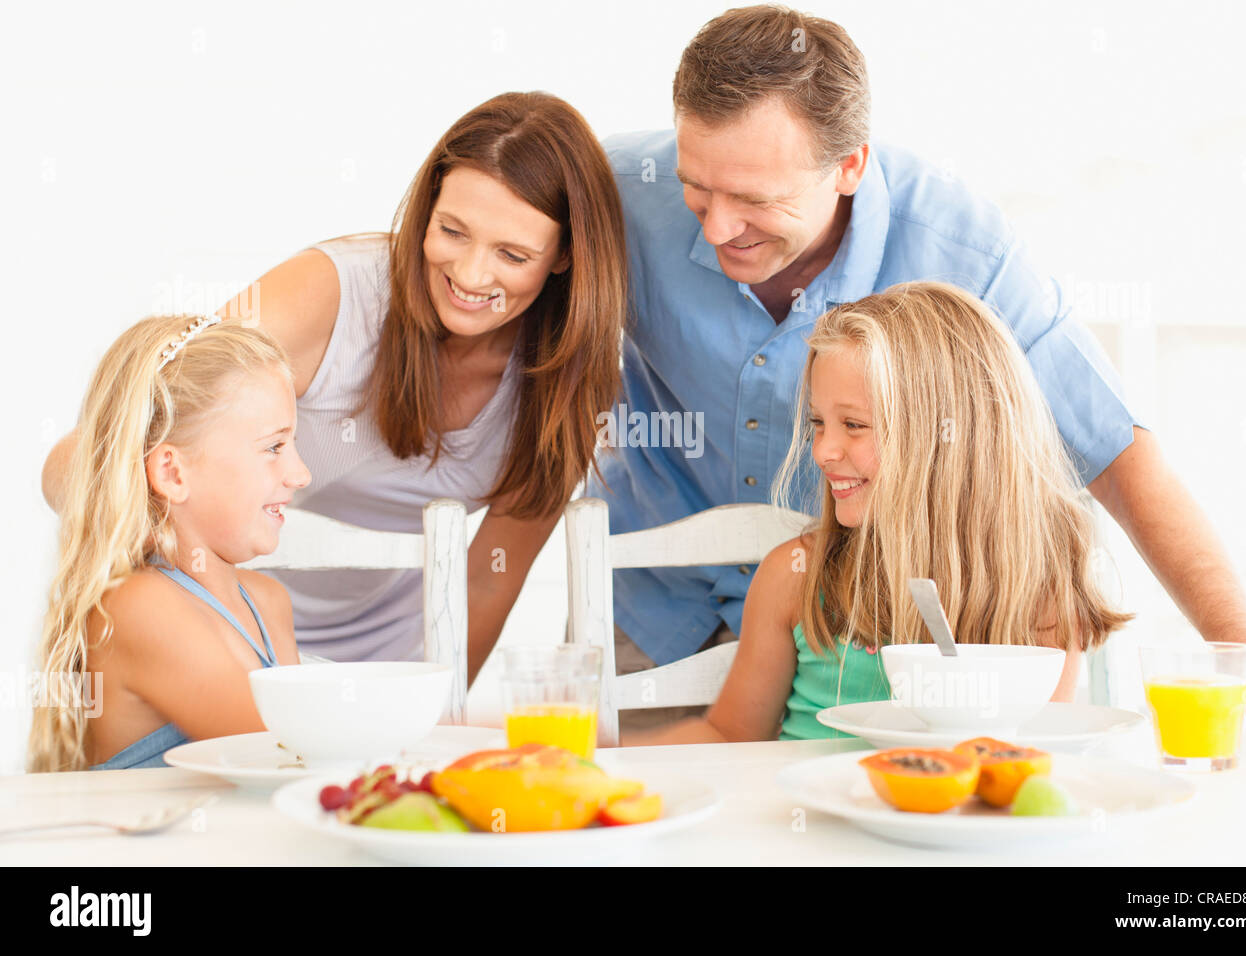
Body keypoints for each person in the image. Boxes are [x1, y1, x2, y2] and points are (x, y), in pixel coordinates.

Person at [595, 4, 1246, 729]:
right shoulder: (615, 188)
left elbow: (1115, 451)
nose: (716, 228)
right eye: (697, 189)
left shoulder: (968, 254)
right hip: (655, 611)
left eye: (753, 200)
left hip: (875, 636)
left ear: (850, 166)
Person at [43, 92, 627, 680]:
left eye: (512, 254)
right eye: (451, 231)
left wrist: (425, 716)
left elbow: (487, 580)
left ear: (564, 257)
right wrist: (194, 595)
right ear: (427, 210)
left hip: (393, 671)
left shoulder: (567, 384)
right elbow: (83, 465)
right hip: (228, 636)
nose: (471, 275)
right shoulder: (328, 293)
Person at [626, 283, 1133, 744]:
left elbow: (1025, 762)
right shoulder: (795, 576)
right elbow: (729, 736)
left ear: (949, 438)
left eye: (854, 424)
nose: (824, 450)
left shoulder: (1041, 586)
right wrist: (590, 756)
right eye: (818, 423)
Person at [29, 315, 311, 771]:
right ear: (173, 473)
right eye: (274, 447)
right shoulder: (138, 609)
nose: (301, 474)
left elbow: (300, 785)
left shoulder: (268, 603)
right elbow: (290, 758)